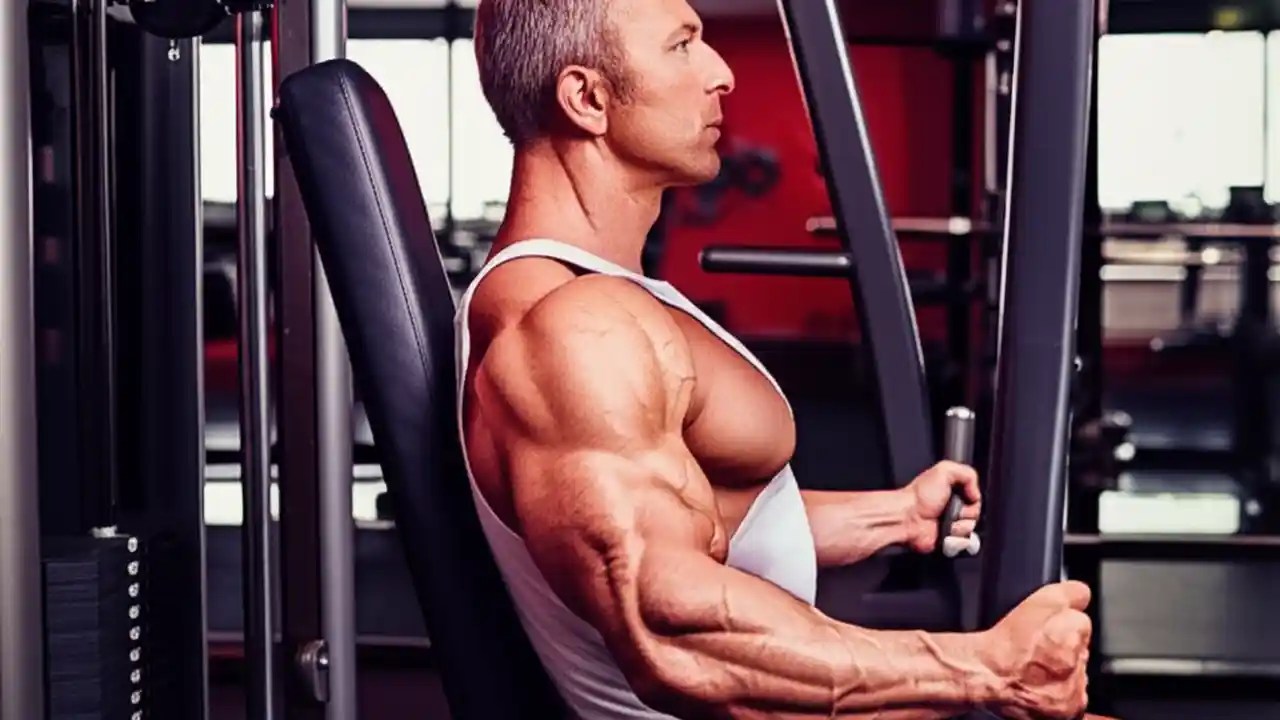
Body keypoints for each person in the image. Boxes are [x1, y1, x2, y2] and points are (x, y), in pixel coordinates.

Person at [455, 1, 1097, 718]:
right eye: (682, 46)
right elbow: (670, 623)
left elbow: (692, 523)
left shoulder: (595, 299)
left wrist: (891, 518)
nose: (722, 74)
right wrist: (985, 671)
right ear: (588, 98)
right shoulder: (573, 327)